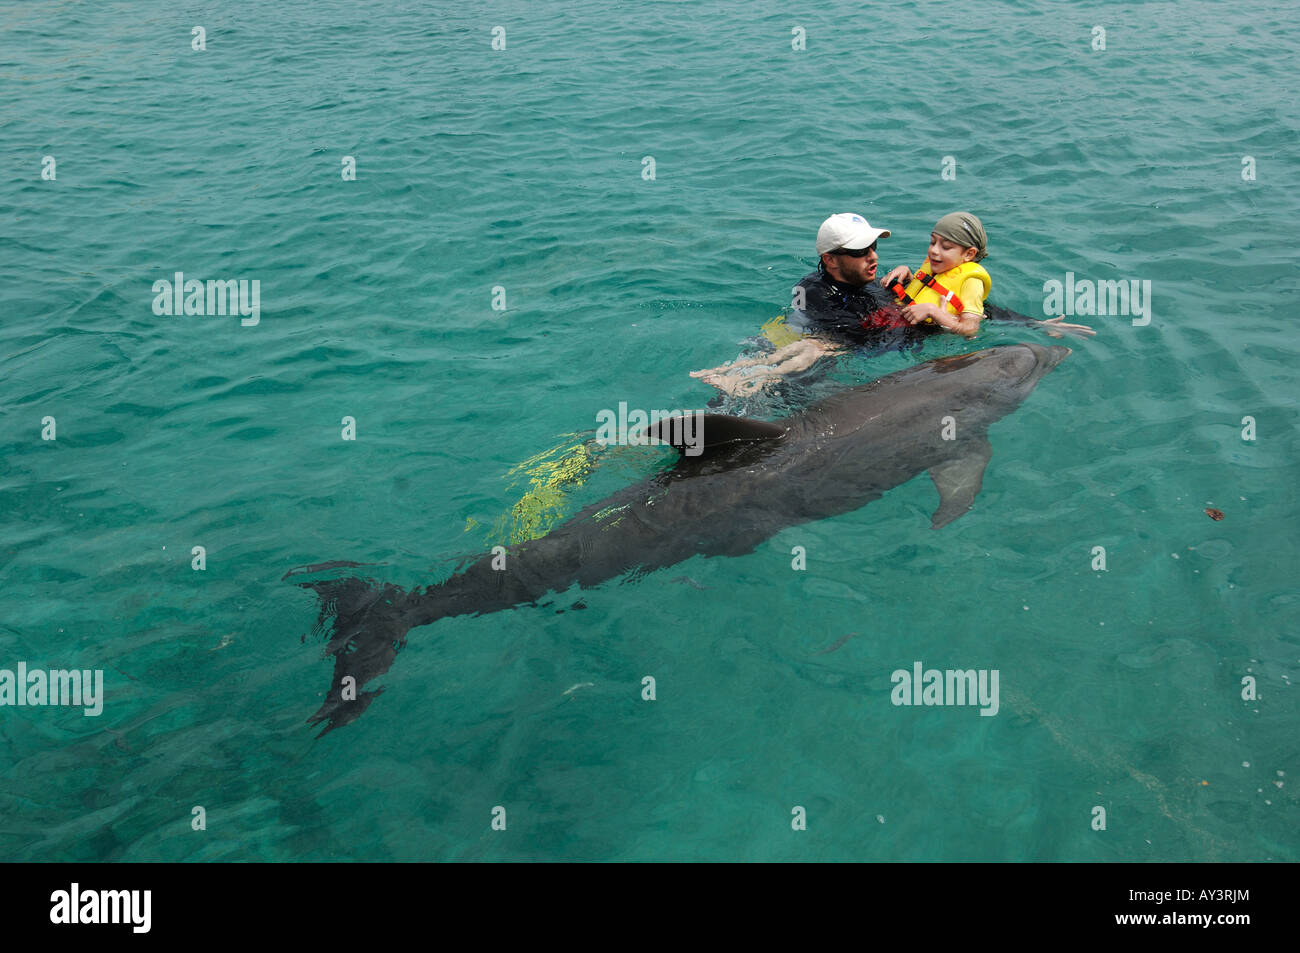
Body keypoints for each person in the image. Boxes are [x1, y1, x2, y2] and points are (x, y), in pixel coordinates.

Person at [691, 212, 1094, 396]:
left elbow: (975, 310)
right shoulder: (813, 290)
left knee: (812, 350)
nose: (873, 257)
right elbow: (854, 340)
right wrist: (921, 323)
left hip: (825, 348)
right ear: (830, 259)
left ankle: (745, 377)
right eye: (859, 252)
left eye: (873, 247)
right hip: (805, 349)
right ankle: (743, 376)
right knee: (812, 349)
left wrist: (1034, 324)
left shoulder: (881, 284)